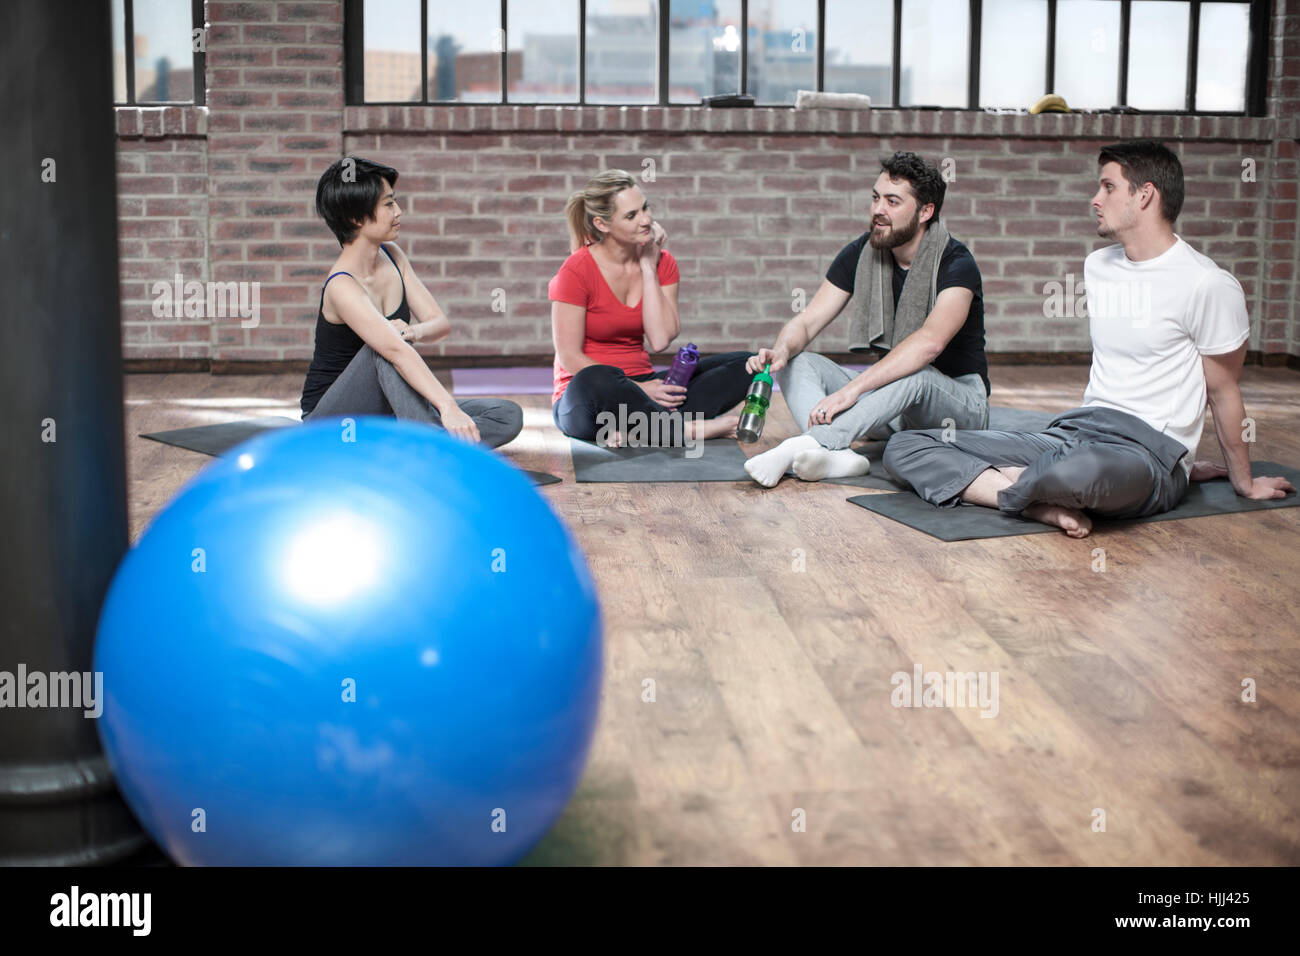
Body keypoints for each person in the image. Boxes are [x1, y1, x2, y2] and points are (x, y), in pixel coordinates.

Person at [883, 139, 1293, 537]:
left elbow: (1223, 391)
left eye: (1108, 187)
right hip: (1073, 432)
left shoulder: (1207, 284)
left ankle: (1011, 485)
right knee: (905, 447)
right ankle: (1029, 497)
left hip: (1145, 453)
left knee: (1077, 473)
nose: (1095, 199)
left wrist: (1234, 480)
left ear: (1145, 195)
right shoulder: (1099, 266)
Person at [743, 151, 990, 487]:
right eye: (875, 198)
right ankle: (837, 455)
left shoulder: (956, 263)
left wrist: (852, 391)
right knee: (800, 362)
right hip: (895, 406)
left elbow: (929, 343)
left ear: (925, 211)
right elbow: (807, 321)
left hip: (959, 406)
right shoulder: (863, 252)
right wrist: (781, 351)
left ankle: (812, 443)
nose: (878, 210)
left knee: (915, 371)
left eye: (892, 201)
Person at [300, 157, 523, 447]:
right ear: (356, 218)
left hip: (386, 411)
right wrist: (447, 407)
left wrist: (413, 331)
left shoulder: (393, 255)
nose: (398, 211)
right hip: (330, 423)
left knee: (506, 415)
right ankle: (430, 441)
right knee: (384, 348)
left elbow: (440, 324)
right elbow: (394, 351)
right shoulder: (342, 285)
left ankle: (423, 440)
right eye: (388, 204)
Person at [550, 169, 753, 446]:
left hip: (649, 389)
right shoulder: (575, 270)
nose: (646, 219)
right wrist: (636, 387)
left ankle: (636, 428)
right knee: (598, 378)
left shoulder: (662, 262)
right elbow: (570, 357)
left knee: (745, 364)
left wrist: (648, 266)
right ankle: (684, 431)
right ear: (602, 224)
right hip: (588, 396)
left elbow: (659, 340)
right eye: (631, 215)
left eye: (645, 208)